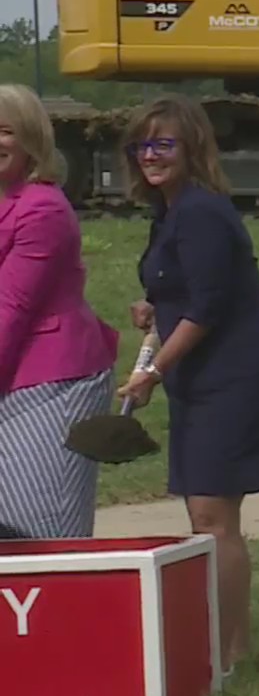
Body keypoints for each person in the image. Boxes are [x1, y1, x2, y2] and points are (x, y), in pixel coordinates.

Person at [116, 93, 259, 674]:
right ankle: (227, 646)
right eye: (141, 144)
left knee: (214, 519)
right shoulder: (170, 212)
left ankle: (229, 654)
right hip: (202, 381)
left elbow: (208, 307)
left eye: (163, 143)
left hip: (235, 379)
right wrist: (153, 303)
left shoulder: (200, 211)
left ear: (192, 148)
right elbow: (187, 288)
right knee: (207, 517)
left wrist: (151, 372)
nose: (150, 154)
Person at [0, 84, 120, 539]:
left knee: (37, 529)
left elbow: (10, 310)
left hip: (51, 382)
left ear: (31, 141)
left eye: (6, 131)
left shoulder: (43, 210)